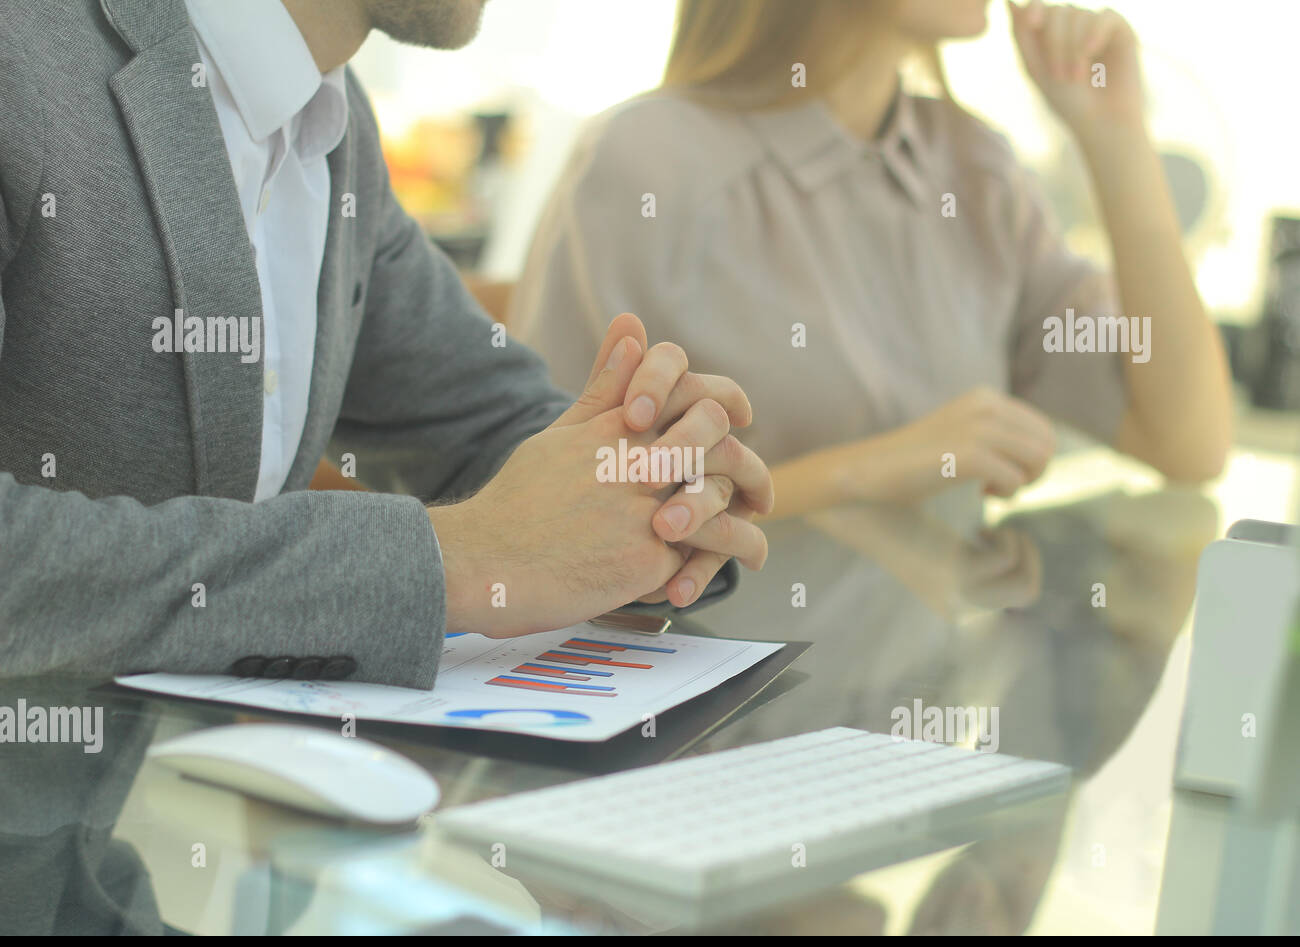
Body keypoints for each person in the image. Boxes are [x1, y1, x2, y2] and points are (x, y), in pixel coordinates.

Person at [0, 0, 774, 688]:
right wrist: (456, 560)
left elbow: (484, 419)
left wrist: (650, 489)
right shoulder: (22, 53)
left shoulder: (333, 127)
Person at [511, 0, 1232, 519]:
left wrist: (1116, 138)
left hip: (930, 713)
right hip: (719, 720)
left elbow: (1188, 442)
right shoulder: (647, 164)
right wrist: (871, 470)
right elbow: (553, 522)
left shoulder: (978, 170)